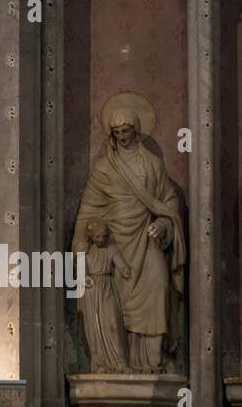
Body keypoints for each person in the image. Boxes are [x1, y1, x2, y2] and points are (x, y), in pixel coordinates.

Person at [71, 93, 186, 373]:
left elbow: (168, 203)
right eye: (118, 132)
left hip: (147, 243)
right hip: (112, 245)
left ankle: (152, 360)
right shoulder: (103, 168)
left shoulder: (153, 166)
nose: (123, 136)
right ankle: (117, 361)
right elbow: (88, 211)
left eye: (127, 131)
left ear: (138, 131)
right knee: (112, 307)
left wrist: (163, 225)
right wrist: (81, 251)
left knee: (158, 287)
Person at [78, 218, 130, 373]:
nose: (100, 240)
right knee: (94, 329)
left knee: (113, 323)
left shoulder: (111, 249)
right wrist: (85, 277)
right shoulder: (84, 251)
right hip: (92, 290)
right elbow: (81, 273)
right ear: (90, 236)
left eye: (103, 236)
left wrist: (125, 269)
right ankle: (99, 364)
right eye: (97, 236)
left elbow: (122, 264)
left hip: (107, 287)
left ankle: (121, 362)